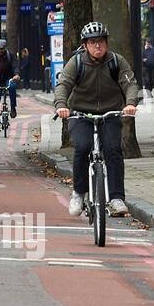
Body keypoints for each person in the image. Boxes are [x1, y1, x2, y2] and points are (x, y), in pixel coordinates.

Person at [54, 21, 141, 219]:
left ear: (107, 43)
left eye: (101, 41)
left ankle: (117, 198)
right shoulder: (76, 63)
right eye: (93, 42)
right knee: (83, 147)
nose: (98, 46)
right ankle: (78, 192)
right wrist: (61, 106)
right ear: (85, 45)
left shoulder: (116, 62)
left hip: (109, 114)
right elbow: (63, 85)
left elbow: (130, 84)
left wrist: (130, 103)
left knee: (113, 149)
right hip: (81, 114)